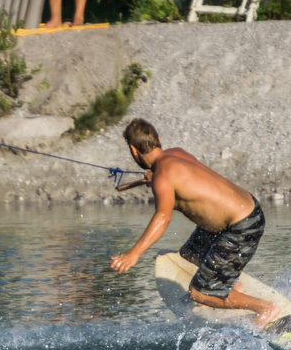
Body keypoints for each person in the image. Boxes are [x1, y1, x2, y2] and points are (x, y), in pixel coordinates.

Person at [109, 118, 281, 329]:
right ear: (158, 140)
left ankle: (264, 308)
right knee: (191, 255)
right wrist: (155, 177)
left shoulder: (162, 177)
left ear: (134, 151)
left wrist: (134, 253)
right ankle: (231, 285)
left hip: (241, 226)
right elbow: (184, 179)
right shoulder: (176, 154)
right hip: (241, 212)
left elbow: (163, 217)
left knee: (199, 293)